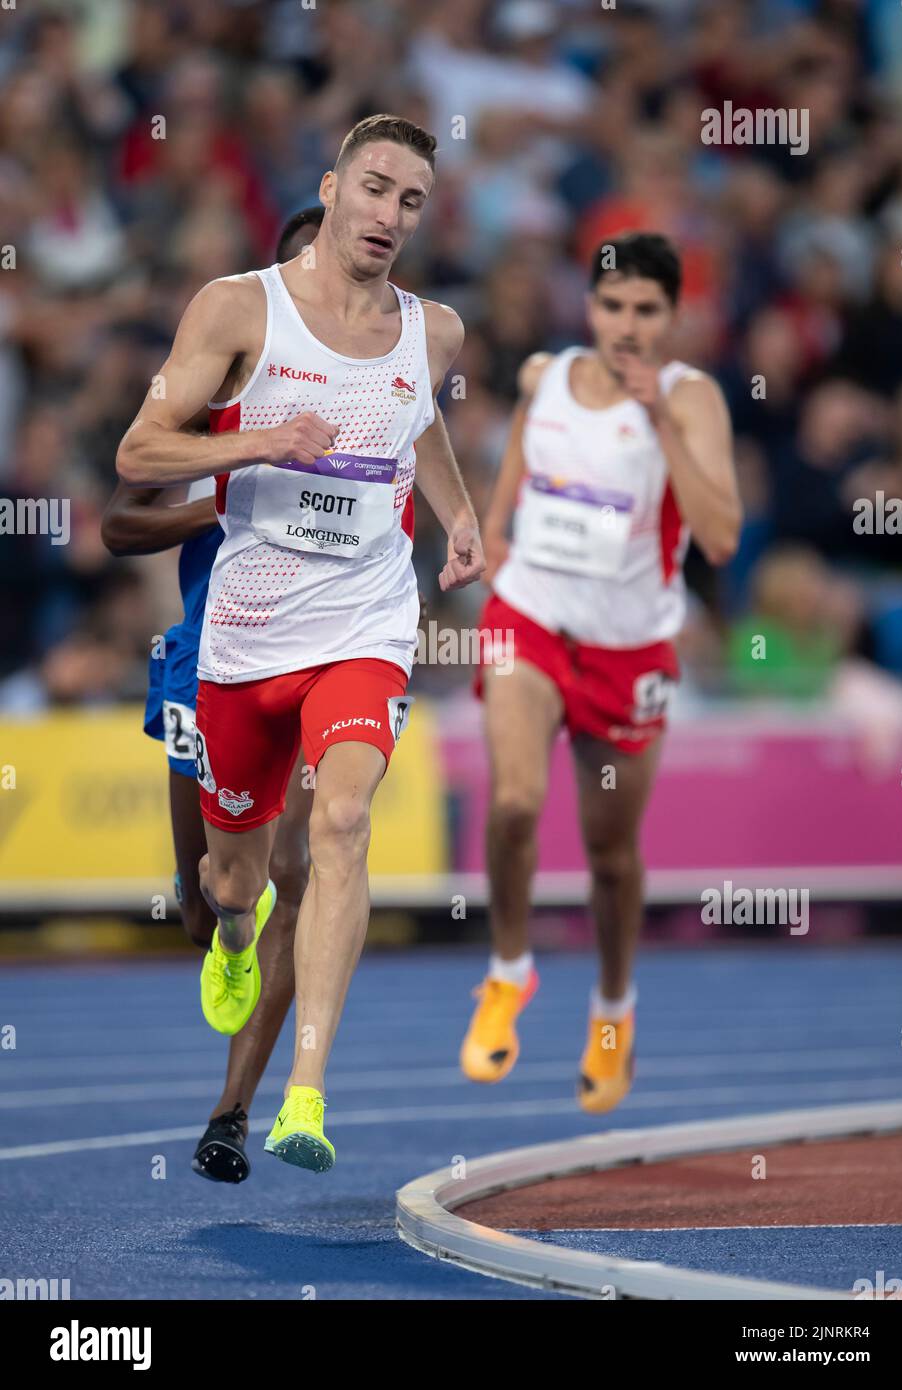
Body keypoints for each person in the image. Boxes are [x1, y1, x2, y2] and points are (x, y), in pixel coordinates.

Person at [116, 115, 484, 1173]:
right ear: (330, 187)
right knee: (232, 884)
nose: (388, 215)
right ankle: (237, 931)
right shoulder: (238, 307)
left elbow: (419, 424)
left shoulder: (437, 328)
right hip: (244, 633)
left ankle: (303, 1097)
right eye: (373, 189)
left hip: (365, 623)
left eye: (410, 201)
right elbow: (138, 451)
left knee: (345, 824)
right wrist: (262, 439)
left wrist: (458, 516)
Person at [462, 232, 741, 1113]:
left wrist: (656, 416)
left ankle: (613, 1013)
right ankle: (508, 972)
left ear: (673, 315)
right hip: (531, 621)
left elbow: (724, 536)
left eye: (647, 311)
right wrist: (498, 538)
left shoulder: (692, 400)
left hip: (629, 652)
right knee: (512, 804)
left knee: (611, 858)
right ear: (590, 307)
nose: (627, 326)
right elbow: (514, 476)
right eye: (613, 307)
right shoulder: (545, 376)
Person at [100, 207, 325, 1183]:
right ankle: (224, 933)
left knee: (299, 872)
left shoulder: (376, 388)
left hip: (319, 655)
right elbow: (116, 523)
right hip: (204, 661)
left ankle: (231, 1114)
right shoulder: (216, 387)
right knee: (211, 905)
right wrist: (238, 475)